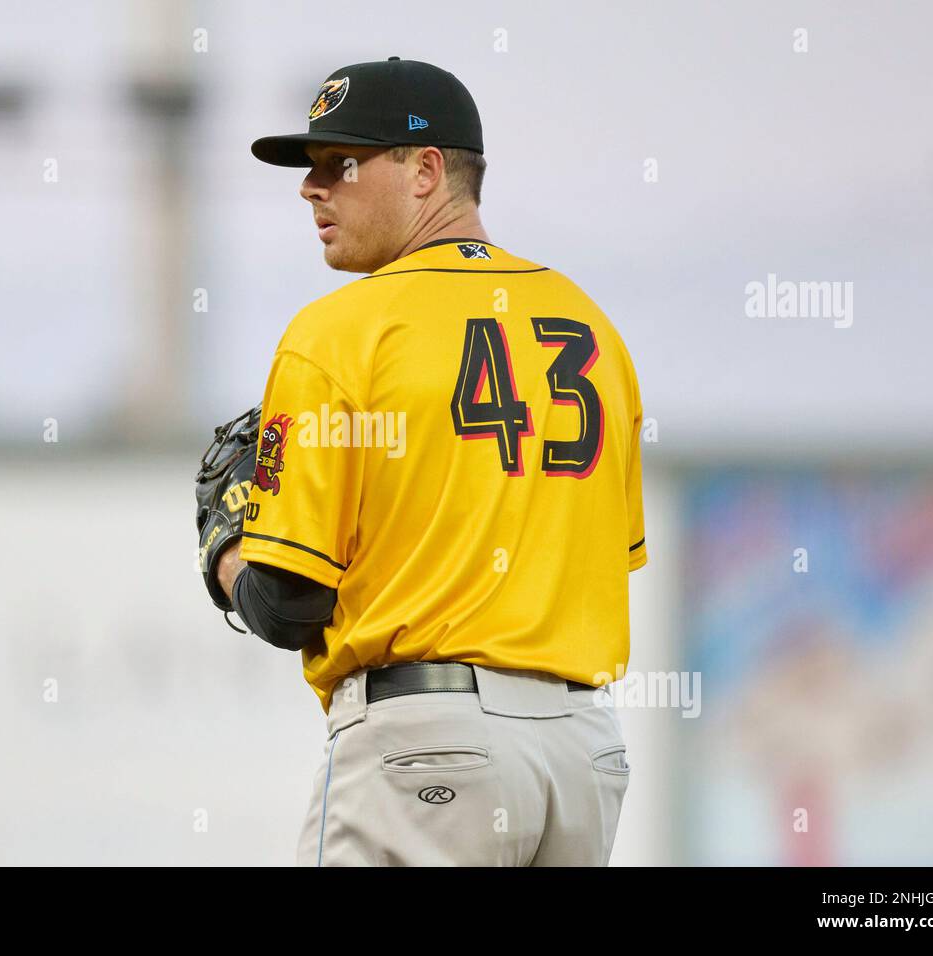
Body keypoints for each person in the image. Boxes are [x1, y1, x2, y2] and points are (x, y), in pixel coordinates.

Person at [206, 57, 646, 866]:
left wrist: (230, 557)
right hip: (583, 757)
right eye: (311, 169)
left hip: (428, 751)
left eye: (342, 163)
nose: (312, 187)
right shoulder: (592, 328)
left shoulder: (341, 331)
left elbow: (289, 603)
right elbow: (610, 561)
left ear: (426, 170)